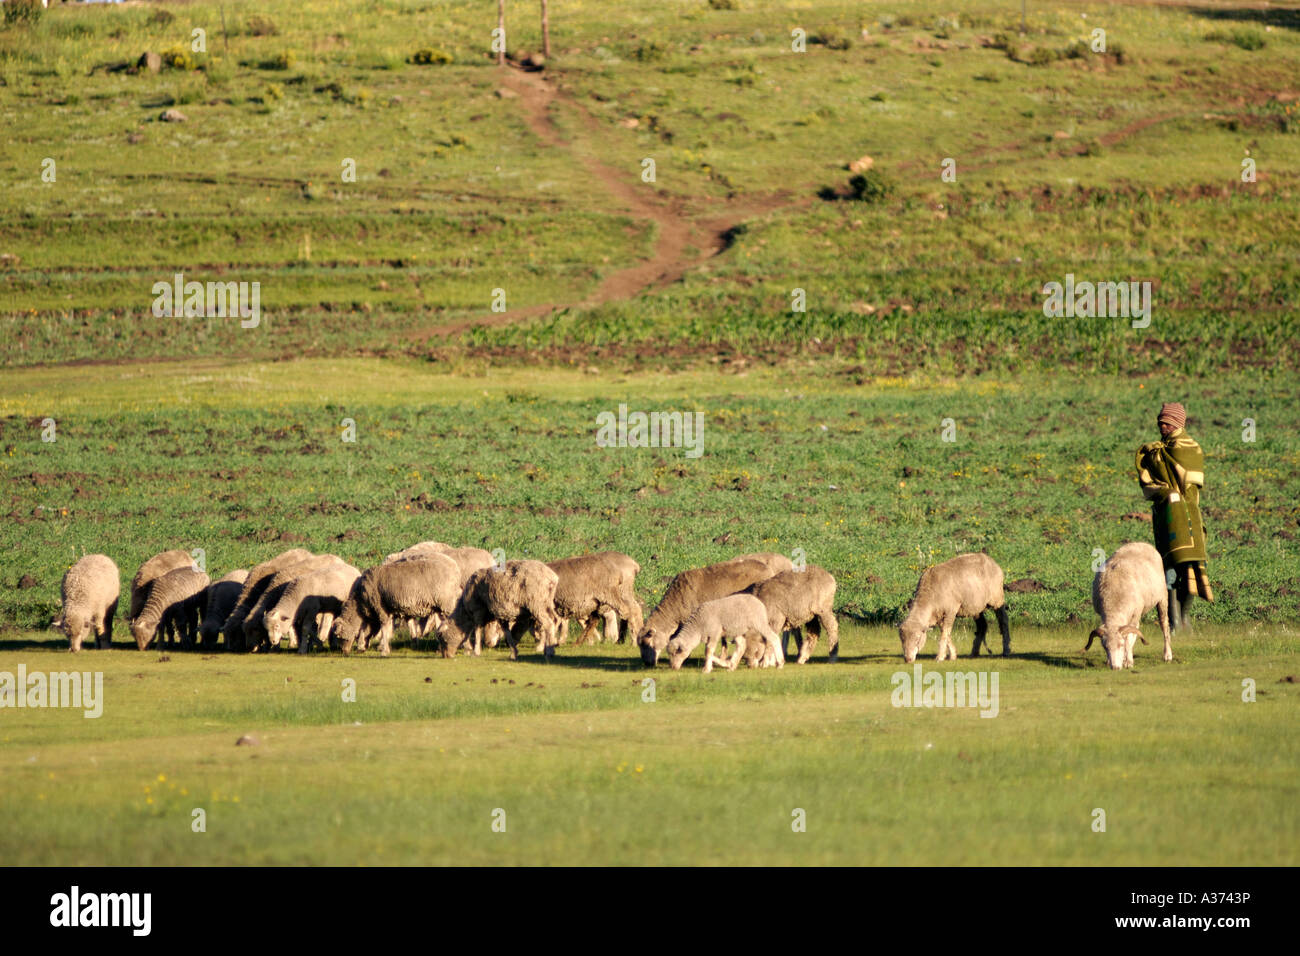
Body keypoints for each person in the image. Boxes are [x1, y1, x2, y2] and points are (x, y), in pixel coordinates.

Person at [1135, 402, 1212, 629]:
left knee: (1189, 564)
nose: (1163, 427)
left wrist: (1156, 457)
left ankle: (1183, 618)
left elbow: (1187, 484)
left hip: (1188, 514)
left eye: (1167, 423)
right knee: (1168, 568)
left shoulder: (1188, 448)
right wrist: (1166, 492)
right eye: (1160, 423)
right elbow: (1149, 478)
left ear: (1177, 423)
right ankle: (1174, 621)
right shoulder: (1157, 450)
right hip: (1166, 515)